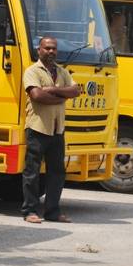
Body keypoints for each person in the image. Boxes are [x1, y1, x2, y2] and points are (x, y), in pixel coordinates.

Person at [21, 36, 82, 223]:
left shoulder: (62, 72)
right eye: (47, 48)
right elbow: (37, 95)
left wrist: (52, 90)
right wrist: (61, 95)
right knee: (32, 172)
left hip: (57, 129)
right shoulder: (32, 71)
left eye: (54, 48)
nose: (51, 51)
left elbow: (76, 90)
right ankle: (30, 211)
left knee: (57, 173)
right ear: (39, 50)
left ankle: (52, 212)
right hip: (38, 128)